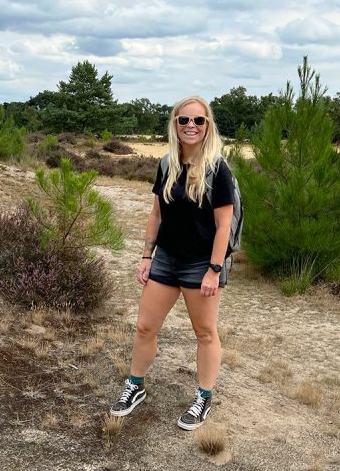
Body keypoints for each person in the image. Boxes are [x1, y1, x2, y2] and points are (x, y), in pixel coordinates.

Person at [109, 95, 235, 430]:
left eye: (198, 121)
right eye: (184, 120)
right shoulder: (167, 164)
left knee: (205, 332)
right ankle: (135, 386)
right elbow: (156, 215)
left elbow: (224, 225)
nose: (191, 126)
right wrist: (146, 256)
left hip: (201, 263)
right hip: (166, 258)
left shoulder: (217, 169)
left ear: (208, 126)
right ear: (175, 124)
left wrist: (214, 269)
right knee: (144, 327)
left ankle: (203, 397)